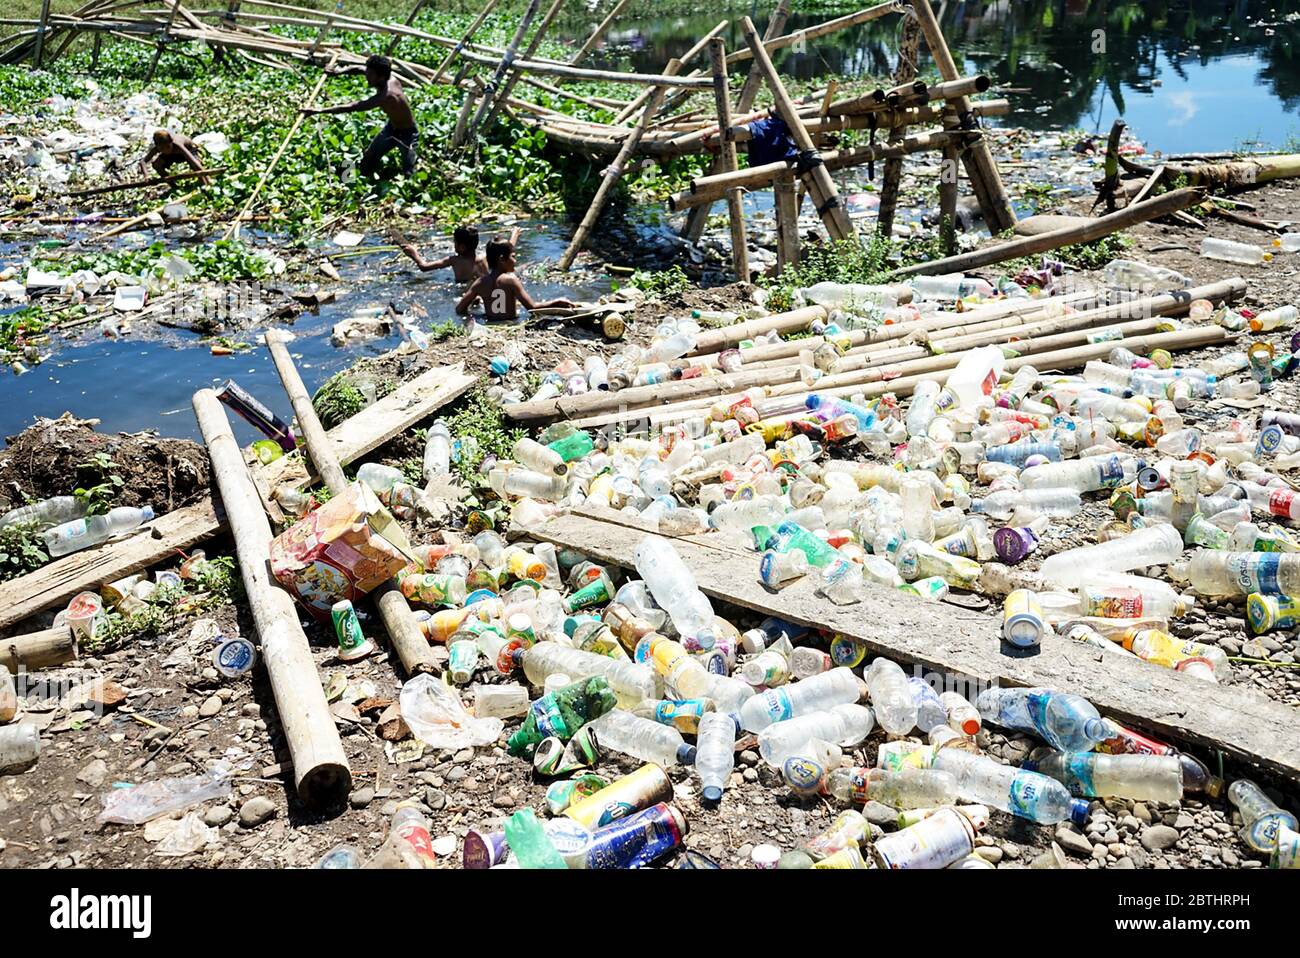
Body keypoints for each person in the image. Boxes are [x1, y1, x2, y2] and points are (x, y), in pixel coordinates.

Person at [301, 55, 417, 179]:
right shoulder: (384, 78)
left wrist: (318, 110)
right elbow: (358, 68)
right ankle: (361, 179)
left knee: (409, 170)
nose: (367, 76)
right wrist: (338, 72)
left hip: (408, 134)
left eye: (371, 74)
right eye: (368, 72)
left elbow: (354, 106)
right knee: (369, 157)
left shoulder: (387, 95)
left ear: (381, 76)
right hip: (391, 129)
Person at [456, 236, 575, 322]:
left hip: (490, 324)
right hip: (511, 324)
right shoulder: (511, 280)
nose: (515, 261)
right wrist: (556, 303)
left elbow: (460, 309)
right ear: (502, 259)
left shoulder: (479, 283)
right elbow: (532, 308)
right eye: (513, 257)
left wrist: (479, 316)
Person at [398, 226, 522, 284]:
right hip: (486, 286)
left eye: (455, 242)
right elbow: (505, 249)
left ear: (461, 247)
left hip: (463, 289)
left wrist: (413, 253)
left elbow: (424, 267)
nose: (454, 245)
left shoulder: (454, 260)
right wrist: (515, 234)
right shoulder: (484, 257)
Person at [140, 130, 210, 184]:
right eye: (162, 148)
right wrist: (147, 176)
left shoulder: (177, 145)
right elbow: (143, 162)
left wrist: (206, 175)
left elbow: (193, 162)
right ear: (157, 146)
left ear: (171, 142)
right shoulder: (157, 149)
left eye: (167, 147)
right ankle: (173, 185)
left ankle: (205, 184)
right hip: (172, 156)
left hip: (189, 150)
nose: (166, 150)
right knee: (156, 164)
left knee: (195, 166)